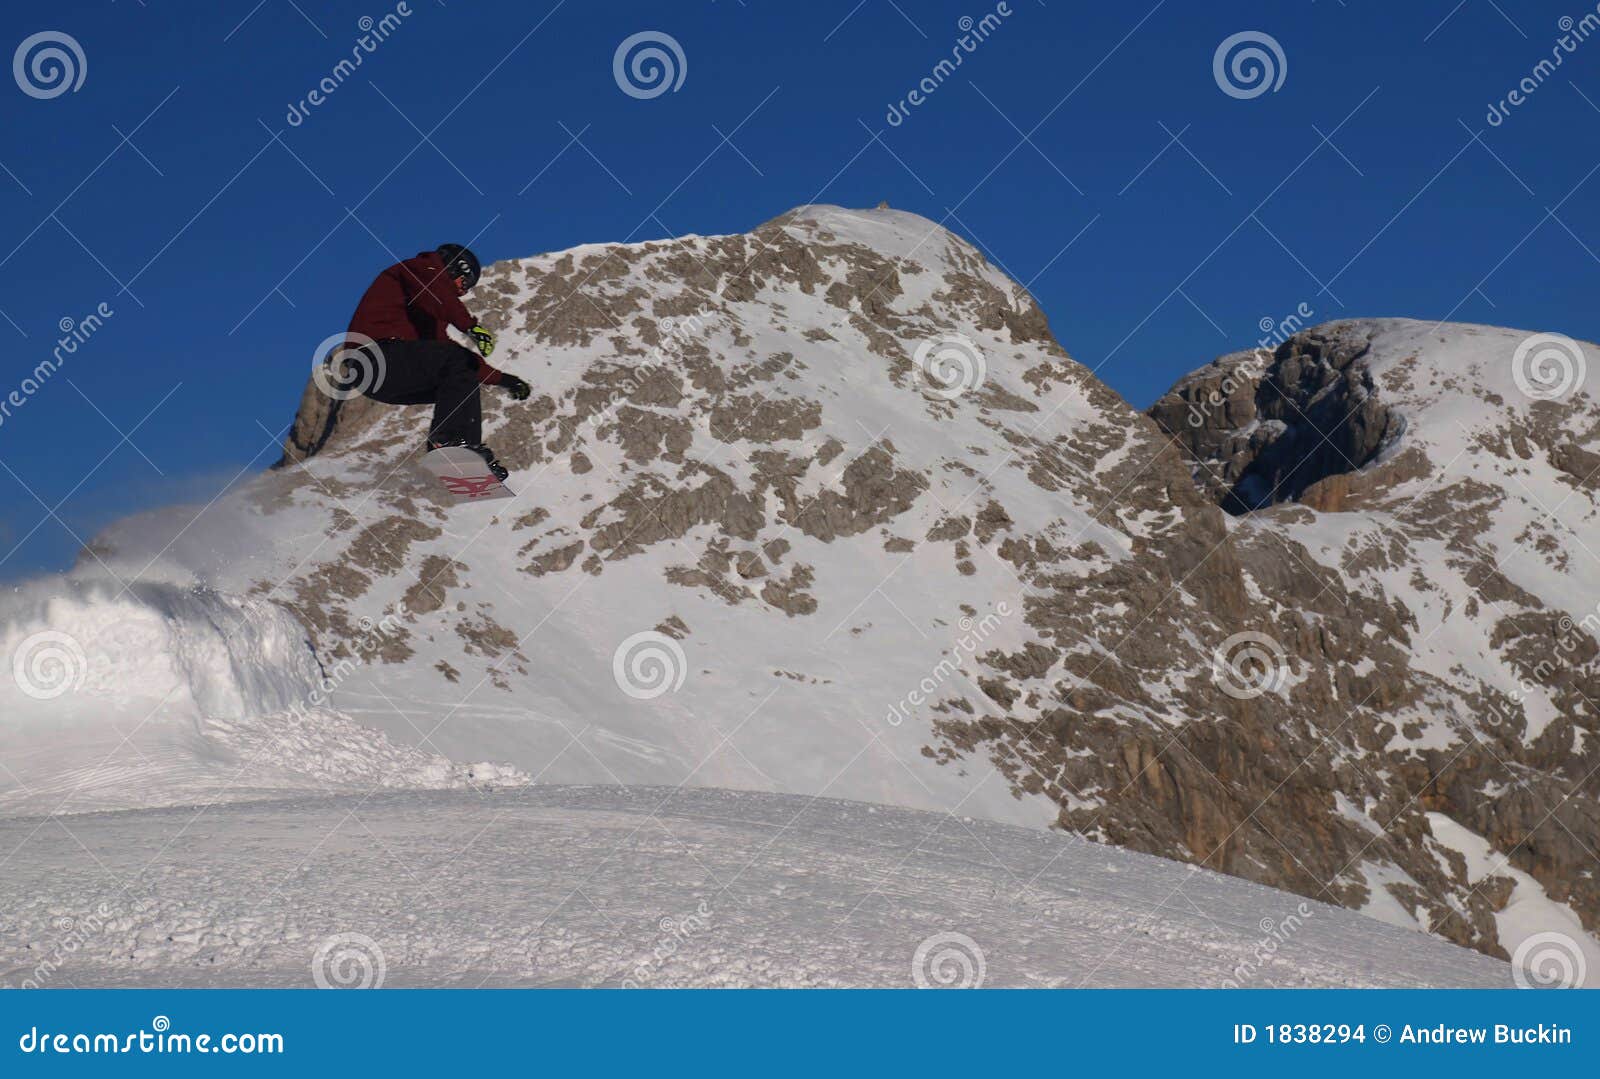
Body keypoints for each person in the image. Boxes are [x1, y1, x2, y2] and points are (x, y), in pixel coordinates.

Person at [344, 243, 530, 480]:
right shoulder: (420, 270)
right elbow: (438, 292)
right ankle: (447, 440)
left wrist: (504, 379)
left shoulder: (429, 315)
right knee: (457, 363)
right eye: (464, 283)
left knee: (463, 374)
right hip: (374, 356)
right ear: (453, 268)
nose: (463, 292)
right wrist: (471, 326)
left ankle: (465, 447)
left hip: (385, 377)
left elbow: (451, 353)